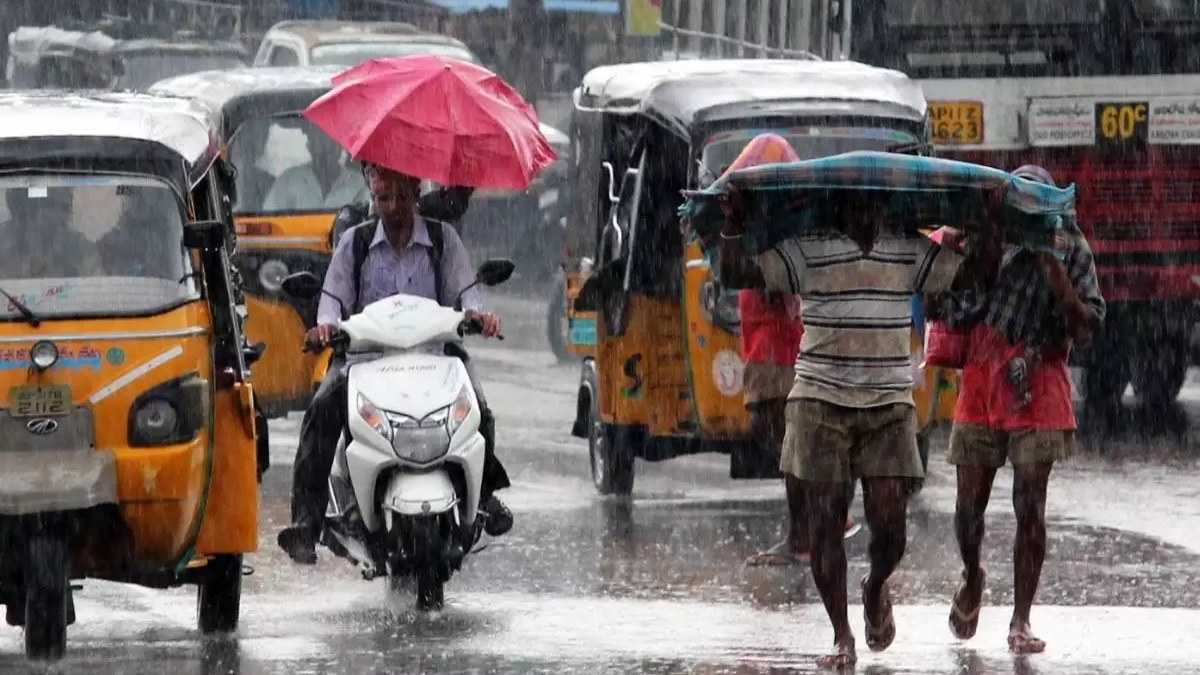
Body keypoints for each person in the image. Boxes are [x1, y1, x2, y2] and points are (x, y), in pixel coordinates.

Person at [721, 184, 994, 669]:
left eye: (874, 201)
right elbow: (736, 271)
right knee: (825, 521)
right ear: (840, 205)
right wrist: (733, 222)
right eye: (857, 202)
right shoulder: (810, 248)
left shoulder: (908, 249)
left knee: (891, 529)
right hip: (819, 399)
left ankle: (875, 585)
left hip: (888, 404)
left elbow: (978, 276)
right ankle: (841, 635)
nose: (866, 210)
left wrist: (988, 223)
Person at [277, 164, 513, 565]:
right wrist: (325, 327)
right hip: (364, 359)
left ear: (417, 193)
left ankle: (483, 494)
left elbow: (467, 294)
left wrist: (480, 316)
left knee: (481, 411)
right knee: (320, 412)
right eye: (383, 198)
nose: (392, 207)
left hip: (435, 356)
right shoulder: (353, 242)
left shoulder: (443, 239)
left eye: (401, 197)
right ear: (372, 197)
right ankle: (307, 522)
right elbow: (332, 302)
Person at [944, 165, 1104, 654]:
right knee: (968, 506)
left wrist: (1055, 273)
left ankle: (1021, 618)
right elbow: (955, 309)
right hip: (983, 375)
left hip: (1040, 376)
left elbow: (1088, 327)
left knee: (1030, 505)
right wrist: (988, 246)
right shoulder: (985, 236)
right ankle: (973, 573)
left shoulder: (1071, 246)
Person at [706, 134, 859, 567]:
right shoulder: (775, 224)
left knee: (784, 439)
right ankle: (812, 528)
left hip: (779, 349)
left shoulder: (776, 228)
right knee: (787, 441)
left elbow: (774, 282)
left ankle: (812, 530)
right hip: (772, 345)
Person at [0, 187, 102, 279]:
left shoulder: (79, 247)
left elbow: (94, 281)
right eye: (48, 204)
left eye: (64, 207)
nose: (56, 214)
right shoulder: (3, 241)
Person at [262, 125, 366, 212]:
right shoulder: (288, 181)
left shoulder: (360, 184)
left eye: (331, 144)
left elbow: (367, 221)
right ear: (310, 147)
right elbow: (269, 218)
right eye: (320, 144)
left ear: (340, 147)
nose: (326, 151)